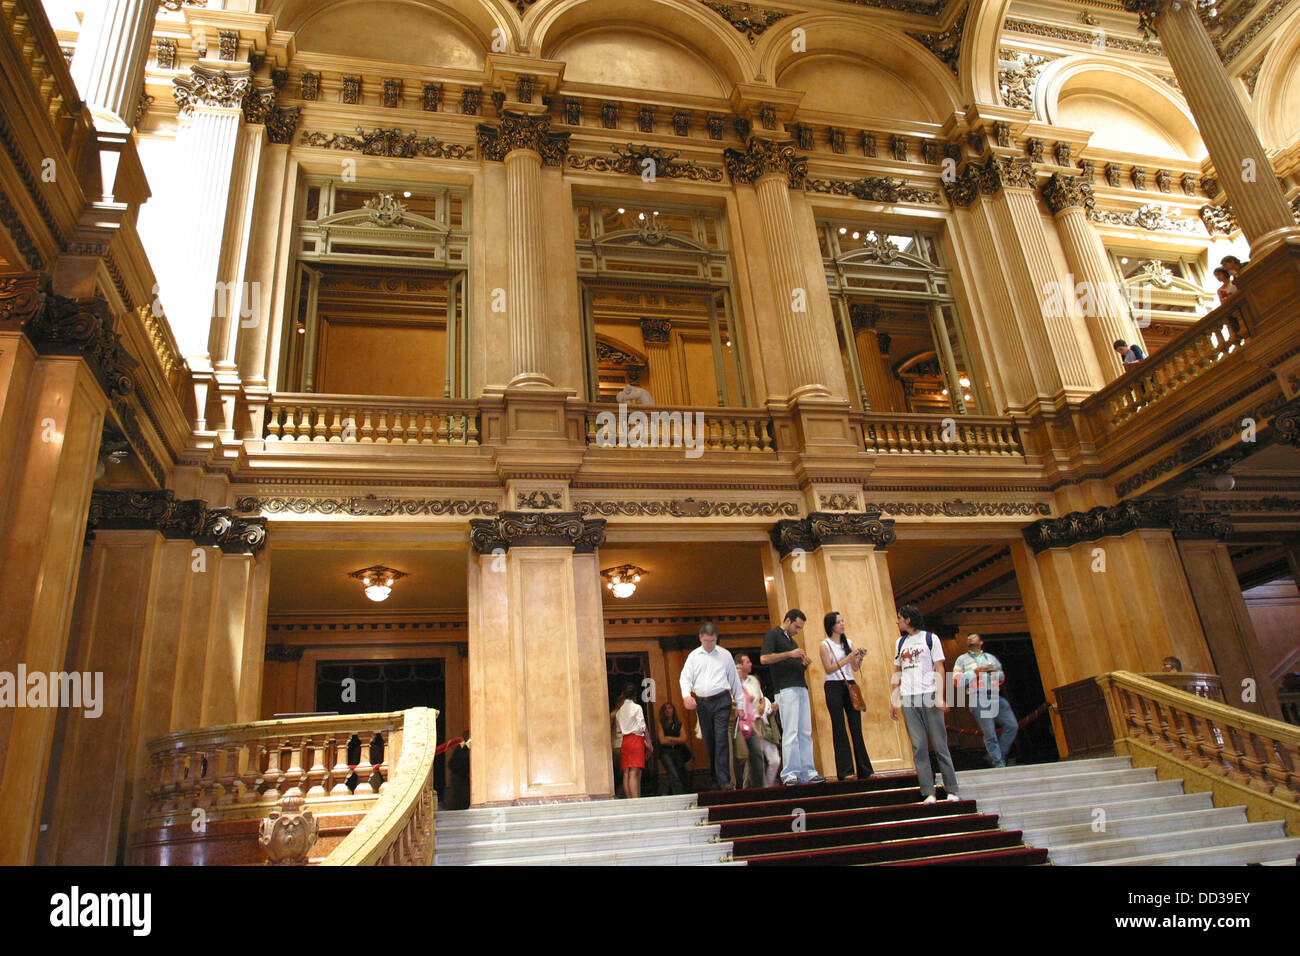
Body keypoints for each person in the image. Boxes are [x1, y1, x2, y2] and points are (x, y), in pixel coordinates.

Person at [891, 604, 960, 804]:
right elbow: (897, 671)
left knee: (940, 745)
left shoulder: (931, 639)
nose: (898, 621)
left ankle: (952, 789)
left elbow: (939, 668)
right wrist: (894, 699)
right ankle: (928, 792)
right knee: (919, 746)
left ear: (908, 620)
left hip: (929, 694)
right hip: (908, 697)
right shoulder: (900, 642)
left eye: (900, 618)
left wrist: (940, 696)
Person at [760, 609, 825, 786]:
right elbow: (764, 658)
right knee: (791, 732)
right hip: (786, 689)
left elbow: (789, 665)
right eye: (796, 626)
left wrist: (802, 664)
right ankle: (790, 773)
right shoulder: (773, 635)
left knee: (805, 732)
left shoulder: (792, 641)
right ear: (787, 621)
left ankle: (808, 771)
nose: (798, 630)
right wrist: (790, 654)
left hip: (800, 687)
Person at [679, 621, 744, 791]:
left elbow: (734, 680)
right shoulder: (693, 656)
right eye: (707, 641)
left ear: (717, 639)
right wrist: (686, 696)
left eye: (713, 641)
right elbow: (685, 678)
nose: (710, 644)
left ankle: (724, 781)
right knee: (710, 741)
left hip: (722, 700)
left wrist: (741, 705)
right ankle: (715, 780)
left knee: (721, 737)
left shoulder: (725, 655)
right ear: (700, 638)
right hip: (702, 703)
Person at [819, 611, 874, 780]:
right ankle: (845, 771)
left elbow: (855, 668)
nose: (842, 624)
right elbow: (828, 668)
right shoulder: (825, 645)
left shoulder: (848, 642)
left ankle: (865, 769)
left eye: (843, 621)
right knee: (839, 727)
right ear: (831, 626)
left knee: (856, 727)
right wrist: (848, 658)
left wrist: (858, 659)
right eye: (838, 622)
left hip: (850, 684)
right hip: (833, 685)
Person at [953, 633, 1018, 769]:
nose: (970, 638)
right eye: (968, 637)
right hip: (977, 697)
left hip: (995, 695)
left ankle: (996, 756)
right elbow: (956, 681)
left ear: (981, 642)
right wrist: (974, 672)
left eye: (974, 636)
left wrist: (993, 671)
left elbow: (1002, 677)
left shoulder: (991, 658)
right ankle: (999, 763)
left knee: (1012, 726)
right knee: (990, 733)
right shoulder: (962, 660)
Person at [733, 653, 768, 788]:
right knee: (742, 756)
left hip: (755, 720)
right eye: (747, 662)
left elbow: (761, 697)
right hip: (742, 722)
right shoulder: (733, 681)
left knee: (757, 754)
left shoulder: (754, 680)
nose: (750, 664)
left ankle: (757, 786)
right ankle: (740, 784)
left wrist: (762, 704)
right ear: (739, 665)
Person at [615, 681, 652, 798]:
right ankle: (636, 800)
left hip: (625, 741)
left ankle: (629, 799)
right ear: (635, 694)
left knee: (626, 772)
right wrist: (647, 743)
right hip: (636, 740)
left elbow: (618, 729)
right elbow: (642, 726)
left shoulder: (619, 711)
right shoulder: (637, 707)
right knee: (634, 772)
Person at [658, 701, 692, 794]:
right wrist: (676, 740)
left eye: (670, 708)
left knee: (681, 772)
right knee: (673, 773)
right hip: (666, 753)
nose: (668, 710)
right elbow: (662, 740)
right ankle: (678, 795)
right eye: (665, 709)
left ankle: (680, 792)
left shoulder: (679, 723)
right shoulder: (661, 724)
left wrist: (670, 738)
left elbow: (684, 738)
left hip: (678, 752)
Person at [447, 731, 470, 810]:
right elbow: (451, 763)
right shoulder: (461, 747)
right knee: (460, 797)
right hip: (460, 776)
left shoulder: (467, 747)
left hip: (463, 776)